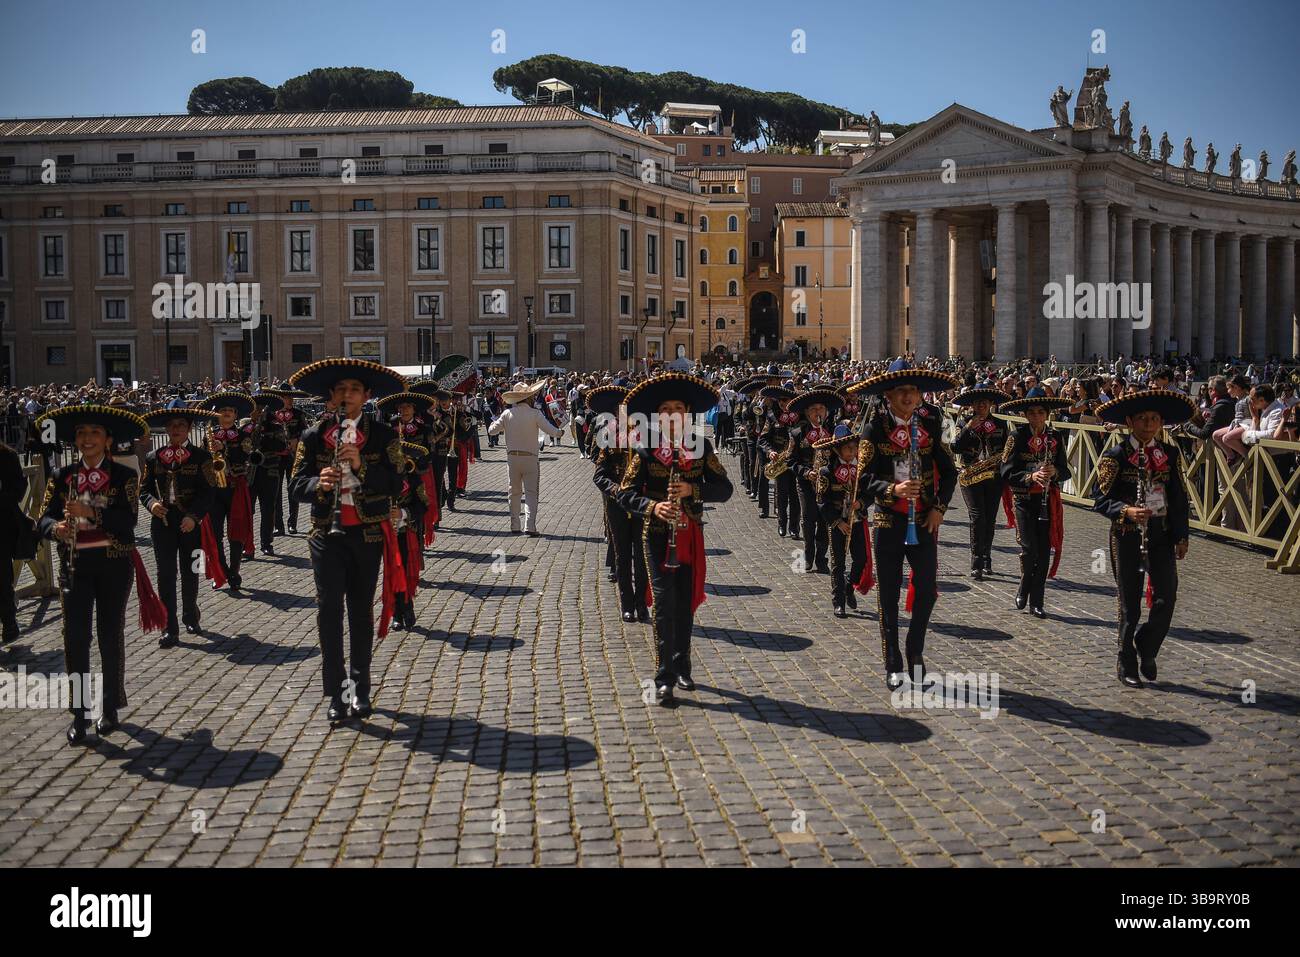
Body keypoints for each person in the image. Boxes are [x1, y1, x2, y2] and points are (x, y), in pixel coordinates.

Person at [35, 405, 165, 744]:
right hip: (74, 567)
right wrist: (57, 528)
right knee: (76, 639)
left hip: (112, 565)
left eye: (94, 433)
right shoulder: (62, 476)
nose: (87, 439)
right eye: (81, 433)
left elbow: (128, 522)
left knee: (110, 636)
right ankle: (79, 713)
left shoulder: (124, 476)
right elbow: (42, 519)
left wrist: (92, 511)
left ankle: (110, 708)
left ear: (107, 440)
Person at [288, 358, 406, 727]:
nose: (347, 395)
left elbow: (396, 480)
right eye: (340, 390)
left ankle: (361, 688)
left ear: (367, 396)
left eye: (354, 389)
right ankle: (337, 692)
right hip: (326, 533)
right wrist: (317, 484)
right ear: (330, 397)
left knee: (359, 610)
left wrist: (361, 467)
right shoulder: (313, 435)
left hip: (367, 532)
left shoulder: (384, 434)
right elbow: (295, 486)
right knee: (328, 610)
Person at [614, 374, 733, 705]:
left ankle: (683, 665)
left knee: (684, 603)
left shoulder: (701, 446)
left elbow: (725, 489)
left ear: (687, 413)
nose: (671, 415)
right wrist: (653, 506)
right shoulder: (647, 449)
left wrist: (693, 490)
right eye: (664, 409)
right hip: (655, 535)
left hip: (690, 533)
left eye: (678, 409)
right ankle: (663, 676)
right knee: (665, 604)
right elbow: (624, 493)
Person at [847, 361, 959, 689]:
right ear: (889, 395)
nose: (909, 396)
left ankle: (915, 649)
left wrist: (939, 507)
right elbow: (863, 479)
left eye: (913, 390)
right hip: (887, 519)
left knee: (926, 588)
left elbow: (949, 471)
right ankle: (892, 659)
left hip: (923, 519)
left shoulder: (932, 422)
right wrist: (891, 489)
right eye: (902, 391)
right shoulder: (874, 429)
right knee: (888, 595)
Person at [1094, 389, 1195, 687]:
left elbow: (1178, 498)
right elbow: (1099, 498)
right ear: (1129, 422)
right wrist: (1125, 510)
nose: (1149, 425)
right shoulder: (1115, 455)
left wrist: (1182, 535)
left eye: (1154, 419)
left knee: (1167, 596)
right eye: (1142, 419)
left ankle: (1147, 645)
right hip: (1127, 534)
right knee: (1130, 603)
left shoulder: (1171, 453)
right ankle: (1125, 660)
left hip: (1161, 534)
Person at [140, 407, 218, 647]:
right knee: (165, 574)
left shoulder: (202, 457)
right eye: (172, 426)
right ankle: (169, 627)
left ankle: (190, 615)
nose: (176, 430)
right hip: (162, 521)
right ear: (166, 429)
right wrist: (151, 504)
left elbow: (209, 491)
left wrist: (194, 517)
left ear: (188, 429)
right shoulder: (154, 456)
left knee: (190, 570)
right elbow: (144, 489)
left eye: (181, 426)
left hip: (190, 523)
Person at [998, 395, 1073, 618]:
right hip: (1023, 499)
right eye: (1032, 413)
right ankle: (1024, 585)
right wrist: (1031, 476)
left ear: (1047, 414)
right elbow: (1006, 471)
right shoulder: (1016, 436)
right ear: (1025, 415)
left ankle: (1037, 601)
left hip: (1047, 499)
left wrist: (1055, 472)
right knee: (1029, 548)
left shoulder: (1056, 437)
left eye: (1041, 413)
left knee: (1044, 551)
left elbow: (1065, 469)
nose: (1037, 417)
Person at [589, 385, 649, 623]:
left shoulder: (648, 436)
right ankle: (627, 605)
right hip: (616, 503)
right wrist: (614, 490)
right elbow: (599, 474)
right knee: (622, 555)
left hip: (641, 503)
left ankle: (642, 604)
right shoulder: (609, 437)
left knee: (643, 556)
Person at [487, 380, 565, 536]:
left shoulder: (507, 413)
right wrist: (559, 433)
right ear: (528, 398)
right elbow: (551, 430)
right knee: (531, 493)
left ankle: (514, 524)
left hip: (512, 458)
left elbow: (491, 431)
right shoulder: (535, 413)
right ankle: (530, 526)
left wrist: (496, 420)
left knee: (514, 492)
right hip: (530, 458)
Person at [951, 385, 1012, 580]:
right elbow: (955, 447)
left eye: (986, 401)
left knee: (990, 518)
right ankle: (976, 561)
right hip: (971, 475)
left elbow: (1007, 452)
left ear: (991, 404)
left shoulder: (1001, 425)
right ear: (973, 405)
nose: (982, 404)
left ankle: (987, 557)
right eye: (978, 402)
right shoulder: (963, 422)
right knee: (977, 517)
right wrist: (969, 427)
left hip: (993, 476)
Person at [198, 391, 256, 591]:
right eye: (222, 411)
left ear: (235, 414)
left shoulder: (243, 436)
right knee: (215, 533)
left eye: (229, 411)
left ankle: (234, 570)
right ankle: (220, 571)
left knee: (236, 532)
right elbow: (203, 462)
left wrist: (225, 449)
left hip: (234, 487)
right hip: (214, 490)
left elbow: (246, 456)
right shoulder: (209, 435)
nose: (226, 414)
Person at [813, 423, 869, 618]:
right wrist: (838, 522)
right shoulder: (826, 472)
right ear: (838, 449)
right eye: (848, 448)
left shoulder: (861, 469)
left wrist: (861, 503)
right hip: (838, 522)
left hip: (857, 519)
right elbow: (821, 501)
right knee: (838, 562)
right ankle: (838, 601)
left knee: (861, 558)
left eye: (854, 448)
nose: (852, 452)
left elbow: (870, 492)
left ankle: (848, 586)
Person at [788, 388, 843, 573]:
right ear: (806, 412)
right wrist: (805, 472)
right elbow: (791, 461)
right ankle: (808, 555)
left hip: (828, 484)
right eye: (813, 408)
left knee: (824, 519)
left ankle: (821, 558)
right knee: (809, 518)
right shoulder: (798, 433)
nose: (817, 412)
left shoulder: (834, 432)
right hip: (806, 482)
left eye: (821, 408)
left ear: (826, 411)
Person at [264, 387, 311, 535]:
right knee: (276, 492)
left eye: (291, 398)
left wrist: (297, 439)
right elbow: (265, 434)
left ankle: (292, 523)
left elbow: (306, 432)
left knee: (293, 489)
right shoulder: (270, 415)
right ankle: (279, 525)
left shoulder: (298, 413)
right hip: (276, 457)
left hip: (293, 456)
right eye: (286, 397)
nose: (290, 400)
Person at [757, 385, 802, 539]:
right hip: (780, 462)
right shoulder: (772, 415)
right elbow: (763, 439)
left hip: (796, 461)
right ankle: (782, 524)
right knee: (782, 495)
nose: (782, 403)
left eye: (786, 400)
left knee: (795, 496)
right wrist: (770, 451)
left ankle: (794, 527)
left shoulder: (801, 416)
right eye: (780, 400)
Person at [248, 392, 289, 556]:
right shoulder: (245, 425)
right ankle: (247, 545)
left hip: (270, 471)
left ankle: (266, 543)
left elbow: (282, 445)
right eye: (254, 409)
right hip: (250, 473)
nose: (256, 412)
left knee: (267, 510)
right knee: (247, 511)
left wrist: (264, 437)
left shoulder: (276, 425)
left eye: (259, 409)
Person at [1, 439, 26, 645]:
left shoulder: (7, 456)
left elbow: (19, 489)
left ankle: (9, 622)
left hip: (2, 527)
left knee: (2, 578)